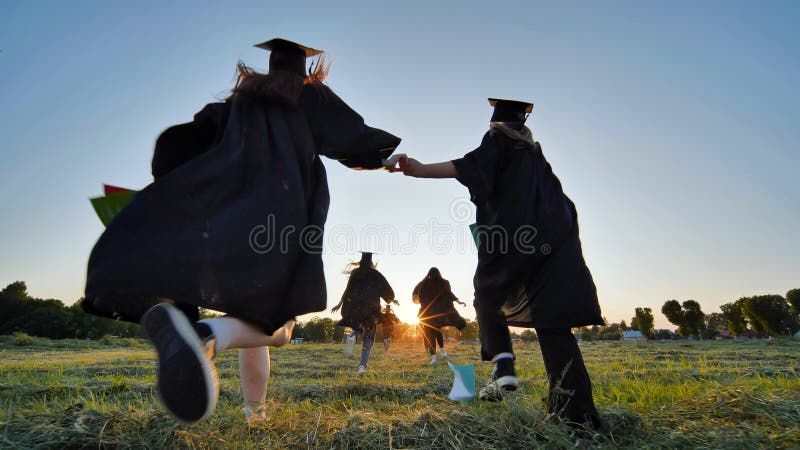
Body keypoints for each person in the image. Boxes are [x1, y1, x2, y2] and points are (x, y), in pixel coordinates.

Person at [81, 38, 401, 424]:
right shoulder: (310, 97)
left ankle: (255, 414)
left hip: (227, 219)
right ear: (305, 71)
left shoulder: (236, 105)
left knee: (252, 315)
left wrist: (176, 191)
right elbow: (352, 139)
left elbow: (174, 145)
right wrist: (386, 161)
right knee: (279, 328)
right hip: (280, 222)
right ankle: (204, 336)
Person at [394, 98, 603, 428]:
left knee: (487, 294)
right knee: (554, 325)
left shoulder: (497, 139)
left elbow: (471, 166)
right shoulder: (536, 157)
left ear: (497, 124)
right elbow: (563, 202)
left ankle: (503, 364)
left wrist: (419, 170)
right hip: (556, 242)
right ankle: (578, 417)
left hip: (516, 236)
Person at [331, 252, 397, 374]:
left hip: (355, 310)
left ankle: (353, 335)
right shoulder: (376, 274)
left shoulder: (355, 273)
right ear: (371, 262)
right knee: (368, 338)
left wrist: (339, 303)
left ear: (360, 261)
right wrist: (392, 299)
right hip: (370, 311)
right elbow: (387, 291)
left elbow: (348, 289)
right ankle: (362, 366)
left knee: (358, 326)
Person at [411, 268, 467, 364]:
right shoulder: (443, 282)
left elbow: (415, 294)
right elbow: (449, 294)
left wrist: (416, 299)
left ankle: (434, 358)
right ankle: (441, 352)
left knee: (432, 334)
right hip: (439, 313)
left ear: (429, 274)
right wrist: (458, 301)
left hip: (428, 314)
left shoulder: (423, 283)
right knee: (436, 332)